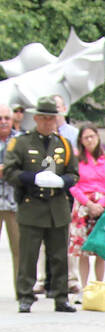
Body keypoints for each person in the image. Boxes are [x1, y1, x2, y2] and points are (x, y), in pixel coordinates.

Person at [2, 96, 78, 313]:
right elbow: (10, 171)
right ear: (36, 118)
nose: (47, 122)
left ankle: (61, 297)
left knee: (59, 255)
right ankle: (25, 295)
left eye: (51, 118)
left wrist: (62, 181)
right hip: (32, 205)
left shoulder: (63, 144)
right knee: (28, 254)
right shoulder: (22, 142)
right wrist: (32, 178)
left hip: (57, 207)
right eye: (43, 118)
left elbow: (74, 173)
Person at [69, 124, 105, 293]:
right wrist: (88, 203)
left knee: (100, 248)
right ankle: (84, 288)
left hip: (102, 206)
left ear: (98, 137)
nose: (90, 140)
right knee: (83, 250)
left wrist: (102, 204)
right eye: (86, 137)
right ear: (81, 140)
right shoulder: (77, 159)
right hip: (83, 206)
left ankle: (99, 287)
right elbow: (73, 184)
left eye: (92, 136)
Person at [0, 103, 20, 293]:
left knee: (19, 249)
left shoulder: (20, 140)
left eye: (6, 118)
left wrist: (6, 171)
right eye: (0, 118)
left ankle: (21, 291)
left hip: (14, 202)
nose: (3, 122)